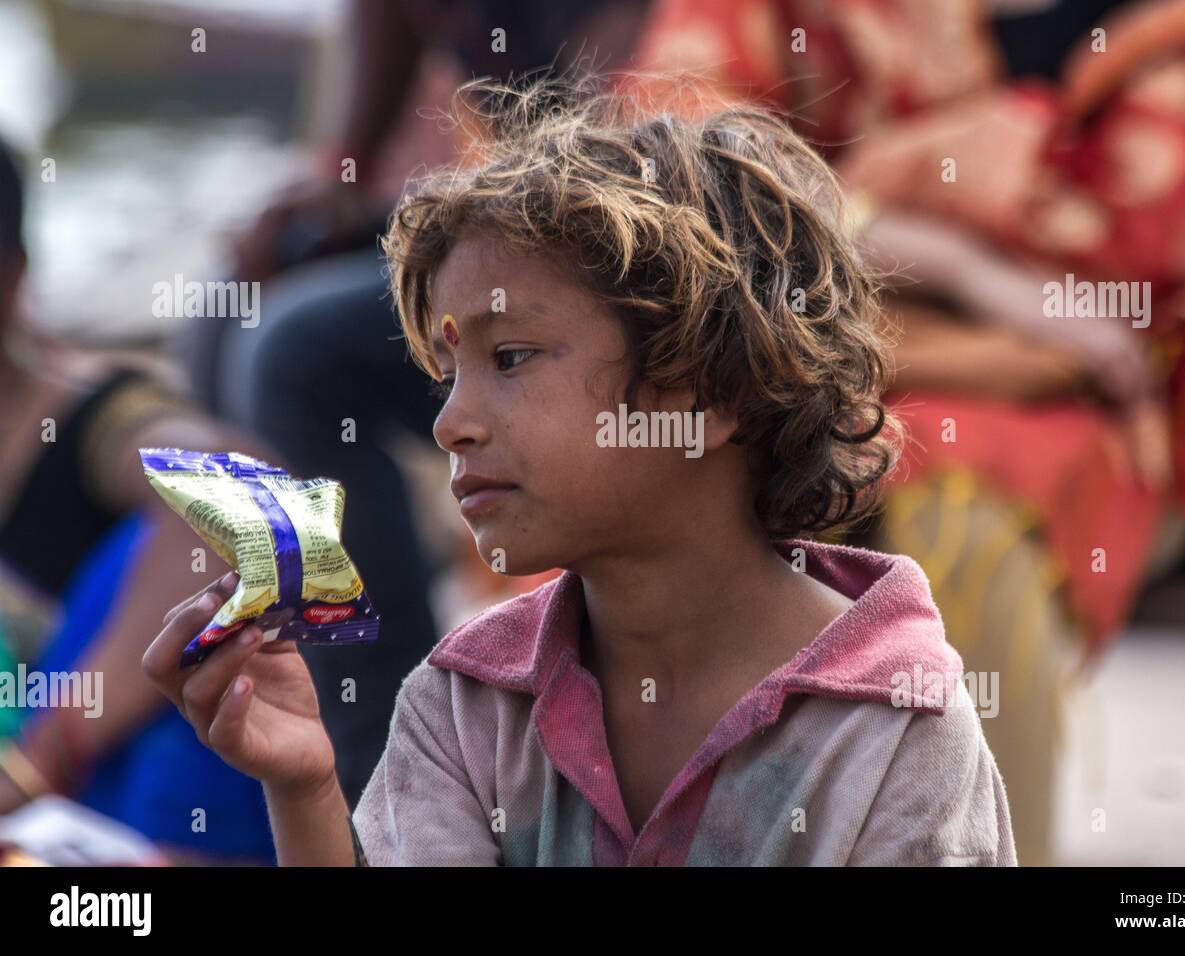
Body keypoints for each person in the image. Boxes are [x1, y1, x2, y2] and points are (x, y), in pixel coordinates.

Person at [143, 74, 1017, 866]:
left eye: (512, 357)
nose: (450, 425)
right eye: (448, 380)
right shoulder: (463, 707)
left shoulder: (893, 729)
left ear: (704, 395)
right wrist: (304, 792)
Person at [629, 0, 1185, 864]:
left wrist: (815, 201)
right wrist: (967, 264)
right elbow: (663, 167)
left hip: (1091, 401)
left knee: (962, 534)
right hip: (779, 366)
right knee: (665, 480)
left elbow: (1139, 253)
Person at [191, 0, 649, 808]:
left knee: (293, 350)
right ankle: (343, 732)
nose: (450, 424)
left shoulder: (641, 36)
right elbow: (381, 76)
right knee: (225, 316)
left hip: (623, 236)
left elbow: (620, 179)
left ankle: (383, 758)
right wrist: (334, 183)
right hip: (518, 216)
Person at [0, 140, 277, 862]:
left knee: (182, 563)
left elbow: (243, 492)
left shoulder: (84, 418)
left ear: (12, 276)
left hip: (102, 817)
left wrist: (43, 754)